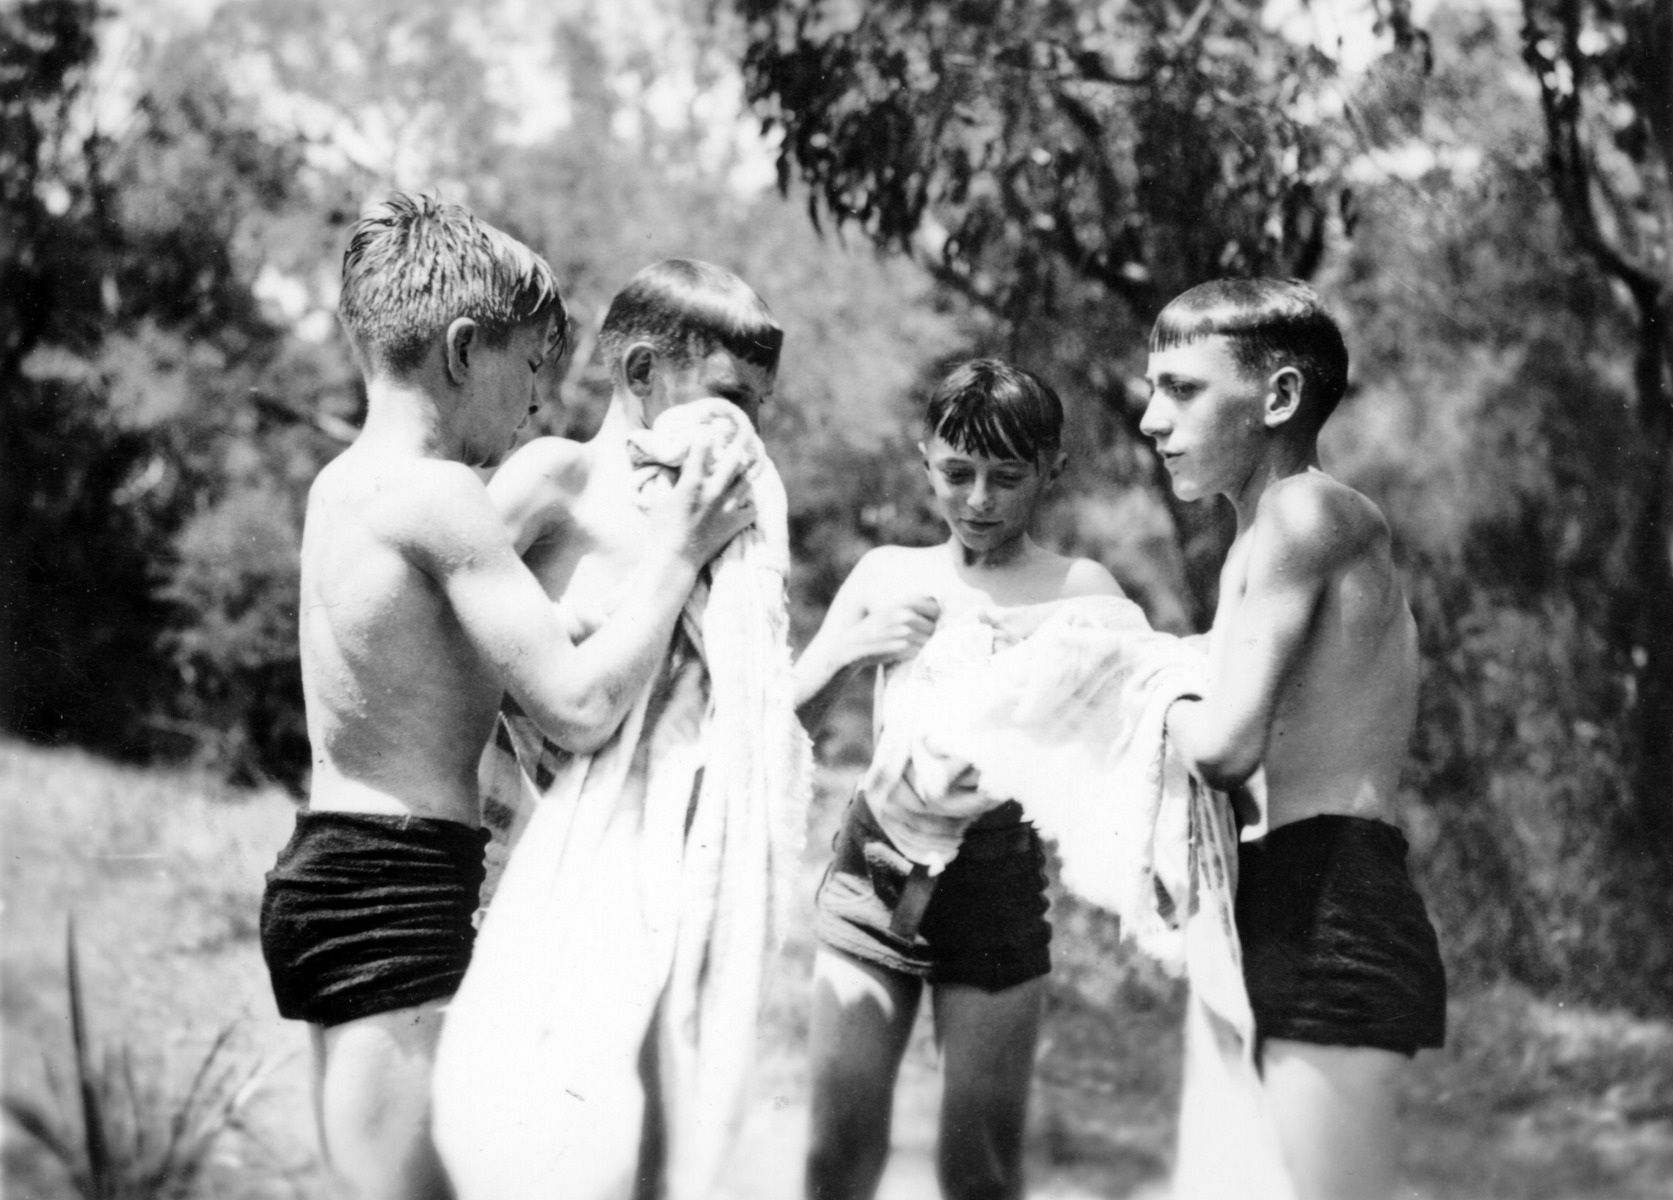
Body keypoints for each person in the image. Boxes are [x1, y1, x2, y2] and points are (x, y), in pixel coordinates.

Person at [257, 201, 755, 1200]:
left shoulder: (344, 485)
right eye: (529, 366)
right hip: (392, 892)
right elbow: (576, 709)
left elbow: (439, 659)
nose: (537, 401)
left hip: (344, 867)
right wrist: (679, 552)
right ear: (461, 348)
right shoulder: (442, 498)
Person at [431, 259, 809, 1200]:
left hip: (676, 856)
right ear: (640, 375)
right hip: (541, 834)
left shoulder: (731, 510)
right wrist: (549, 642)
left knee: (659, 1102)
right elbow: (435, 630)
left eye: (758, 409)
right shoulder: (558, 478)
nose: (741, 429)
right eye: (727, 397)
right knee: (529, 1111)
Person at [1143, 278, 1446, 1200]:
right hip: (1272, 892)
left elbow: (1223, 747)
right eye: (1151, 391)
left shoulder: (1304, 515)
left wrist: (1139, 685)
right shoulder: (1256, 539)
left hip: (1335, 898)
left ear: (1276, 398)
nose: (1153, 421)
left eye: (1181, 389)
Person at [794, 359, 1122, 1200]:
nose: (979, 499)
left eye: (1006, 477)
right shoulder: (885, 575)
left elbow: (1132, 747)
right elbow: (782, 720)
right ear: (924, 461)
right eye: (957, 473)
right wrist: (848, 649)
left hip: (995, 883)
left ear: (1051, 469)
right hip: (871, 874)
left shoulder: (1079, 592)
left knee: (977, 1173)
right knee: (835, 1155)